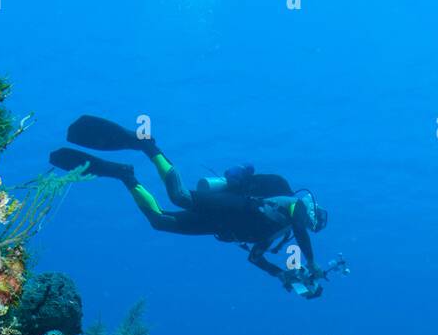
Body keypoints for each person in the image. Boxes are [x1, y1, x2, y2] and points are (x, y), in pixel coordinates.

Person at [50, 116, 329, 298]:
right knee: (179, 197)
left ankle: (125, 174)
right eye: (316, 217)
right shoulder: (291, 205)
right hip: (232, 206)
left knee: (159, 221)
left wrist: (283, 275)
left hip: (218, 225)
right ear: (311, 207)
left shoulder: (278, 233)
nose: (312, 223)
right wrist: (313, 262)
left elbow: (255, 258)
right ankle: (147, 146)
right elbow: (298, 220)